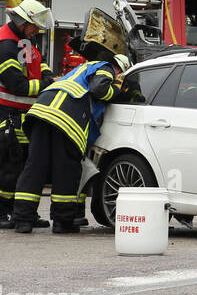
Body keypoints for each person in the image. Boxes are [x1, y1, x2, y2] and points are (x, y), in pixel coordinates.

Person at [11, 53, 132, 234]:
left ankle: (22, 220)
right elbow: (99, 89)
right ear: (119, 69)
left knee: (35, 167)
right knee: (65, 170)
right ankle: (62, 222)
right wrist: (118, 92)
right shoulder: (105, 67)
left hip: (41, 113)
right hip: (65, 118)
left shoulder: (81, 69)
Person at [0, 0, 55, 229]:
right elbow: (17, 85)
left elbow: (37, 65)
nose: (38, 30)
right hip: (0, 121)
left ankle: (22, 213)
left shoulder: (24, 40)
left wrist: (49, 76)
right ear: (23, 22)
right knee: (6, 170)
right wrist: (46, 86)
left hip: (17, 119)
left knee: (22, 169)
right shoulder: (4, 46)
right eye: (35, 25)